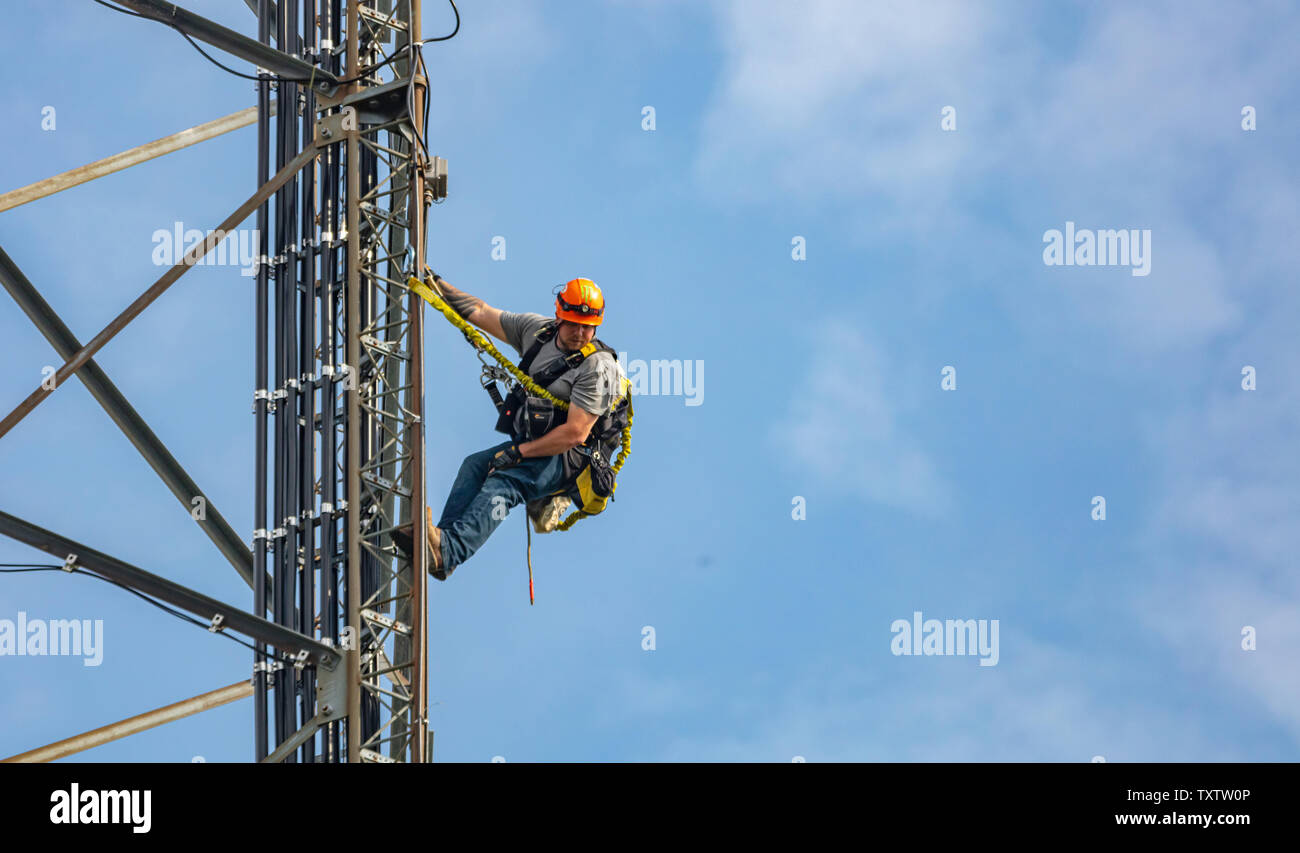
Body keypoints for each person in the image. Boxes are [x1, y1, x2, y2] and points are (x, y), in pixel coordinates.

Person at [394, 274, 628, 580]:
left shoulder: (598, 367)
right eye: (574, 323)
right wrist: (436, 282)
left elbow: (575, 433)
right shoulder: (537, 331)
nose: (581, 333)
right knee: (475, 466)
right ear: (560, 316)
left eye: (588, 327)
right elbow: (480, 312)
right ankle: (441, 544)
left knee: (505, 484)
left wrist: (519, 452)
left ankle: (448, 551)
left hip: (574, 457)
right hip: (540, 441)